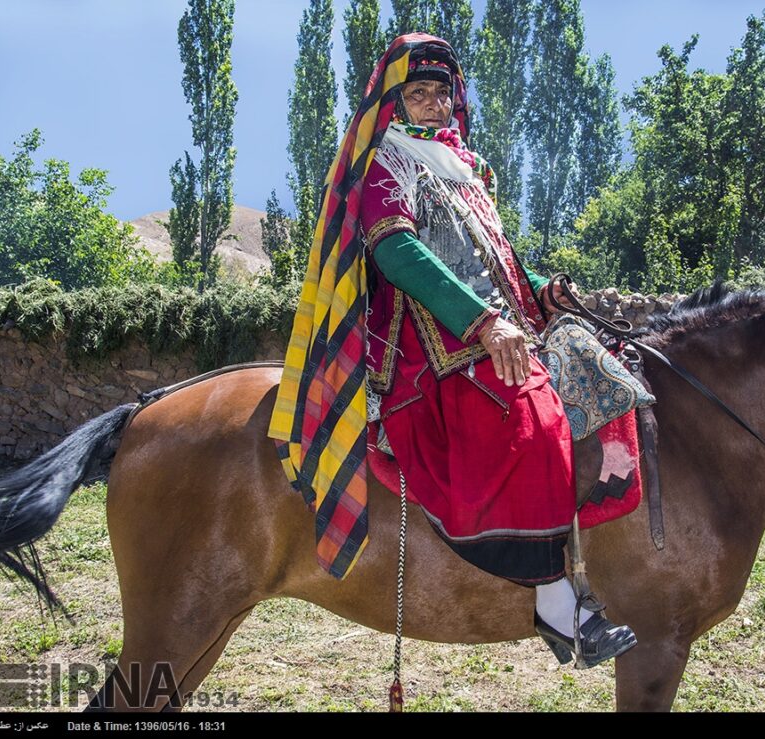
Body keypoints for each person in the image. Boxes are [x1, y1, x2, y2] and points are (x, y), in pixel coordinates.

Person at [271, 33, 635, 668]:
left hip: (490, 322)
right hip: (430, 342)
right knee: (533, 411)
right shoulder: (388, 161)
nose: (435, 104)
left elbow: (490, 263)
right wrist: (485, 326)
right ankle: (556, 600)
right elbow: (396, 249)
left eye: (443, 93)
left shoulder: (466, 169)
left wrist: (538, 297)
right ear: (395, 103)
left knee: (600, 366)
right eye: (420, 93)